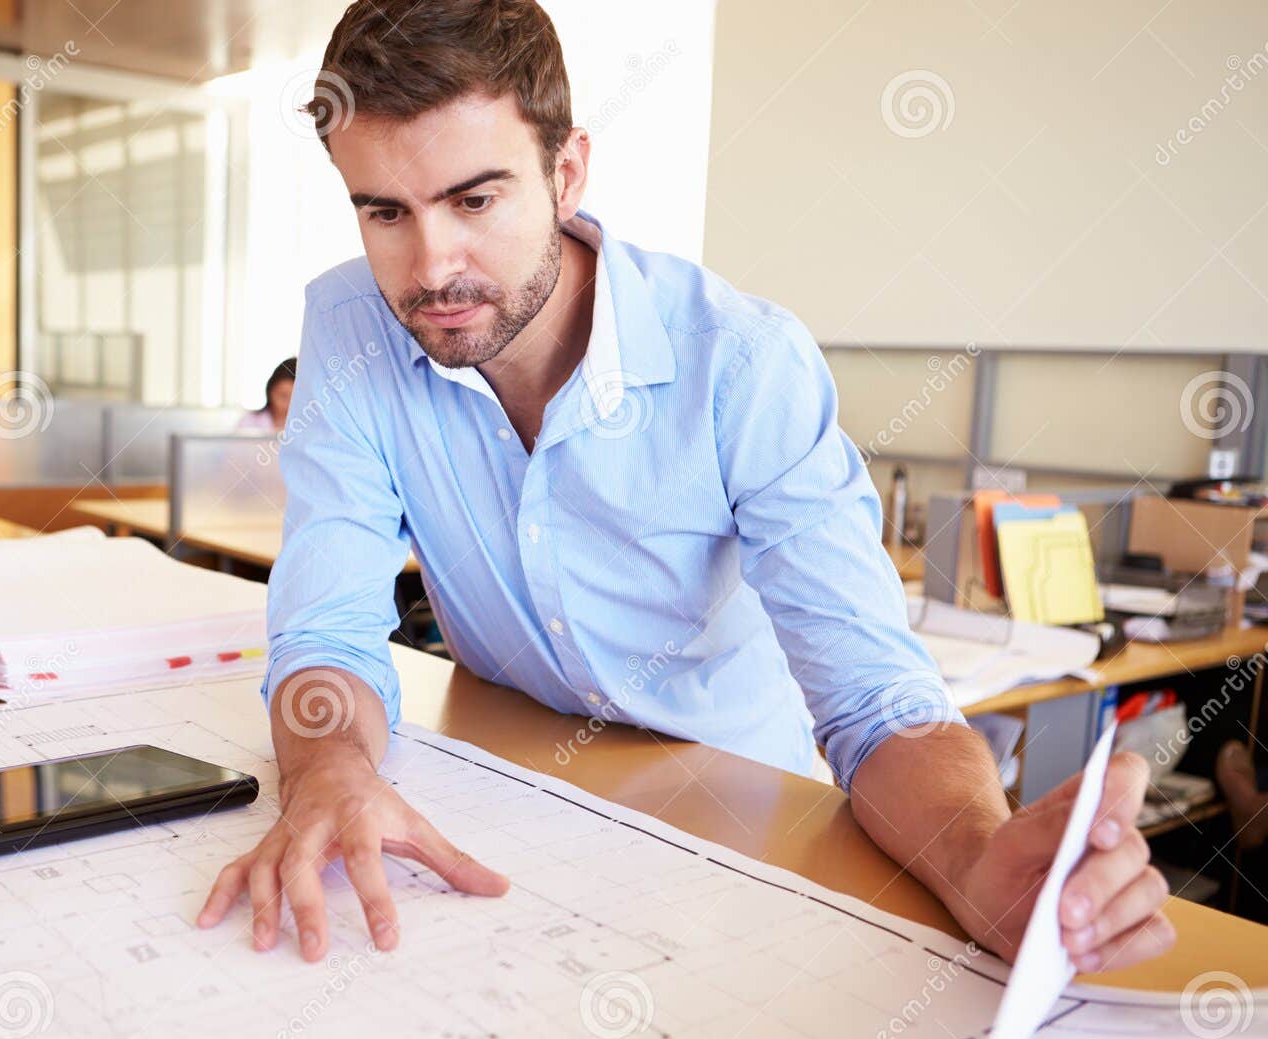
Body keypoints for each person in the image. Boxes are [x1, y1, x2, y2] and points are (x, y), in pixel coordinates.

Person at [198, 0, 1172, 979]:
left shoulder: (742, 363)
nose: (430, 265)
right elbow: (326, 630)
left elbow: (874, 701)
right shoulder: (351, 326)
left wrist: (968, 854)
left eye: (476, 201)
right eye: (384, 212)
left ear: (565, 172)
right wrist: (326, 769)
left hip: (742, 827)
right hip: (513, 798)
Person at [235, 357, 297, 432]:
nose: (287, 404)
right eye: (283, 396)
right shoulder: (249, 422)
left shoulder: (307, 425)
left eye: (294, 398)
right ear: (270, 391)